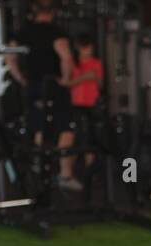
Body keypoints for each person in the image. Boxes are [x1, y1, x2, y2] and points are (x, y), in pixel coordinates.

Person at [3, 0, 80, 190]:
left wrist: (21, 79)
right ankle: (65, 175)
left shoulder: (22, 32)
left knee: (38, 126)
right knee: (66, 128)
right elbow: (66, 58)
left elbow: (9, 57)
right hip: (53, 85)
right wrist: (65, 79)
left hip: (33, 85)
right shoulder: (56, 32)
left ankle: (39, 170)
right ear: (52, 13)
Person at [68, 32, 103, 171]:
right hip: (76, 103)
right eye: (85, 47)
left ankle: (90, 170)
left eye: (90, 47)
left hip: (92, 103)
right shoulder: (72, 64)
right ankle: (68, 170)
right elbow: (66, 84)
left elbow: (101, 84)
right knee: (76, 138)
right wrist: (84, 78)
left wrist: (95, 78)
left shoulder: (97, 63)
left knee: (90, 137)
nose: (88, 51)